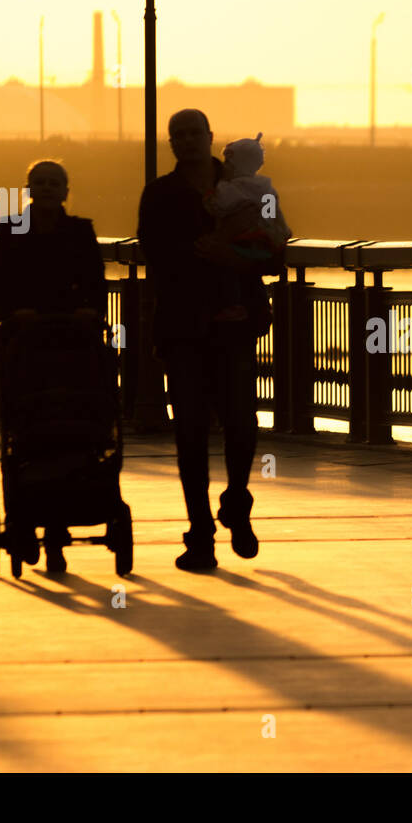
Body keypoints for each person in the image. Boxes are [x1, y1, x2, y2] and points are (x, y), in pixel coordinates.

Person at [138, 109, 285, 571]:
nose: (186, 140)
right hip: (183, 328)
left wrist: (232, 257)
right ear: (171, 143)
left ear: (209, 137)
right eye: (177, 135)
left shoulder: (251, 185)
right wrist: (207, 260)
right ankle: (200, 533)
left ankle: (237, 499)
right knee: (191, 433)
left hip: (236, 325)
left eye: (193, 133)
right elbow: (153, 255)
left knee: (242, 422)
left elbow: (274, 253)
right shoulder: (160, 194)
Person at [0, 159, 106, 574]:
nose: (47, 189)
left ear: (66, 190)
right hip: (27, 337)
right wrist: (13, 313)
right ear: (28, 189)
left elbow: (95, 280)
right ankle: (24, 516)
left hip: (72, 337)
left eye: (55, 182)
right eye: (39, 183)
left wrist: (90, 312)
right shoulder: (13, 229)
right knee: (25, 421)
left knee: (75, 408)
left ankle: (59, 510)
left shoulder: (79, 231)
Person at [203, 132, 292, 263]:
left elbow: (216, 207)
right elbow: (271, 218)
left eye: (227, 162)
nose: (223, 166)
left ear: (239, 165)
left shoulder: (229, 188)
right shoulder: (268, 190)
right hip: (264, 247)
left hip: (239, 246)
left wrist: (208, 192)